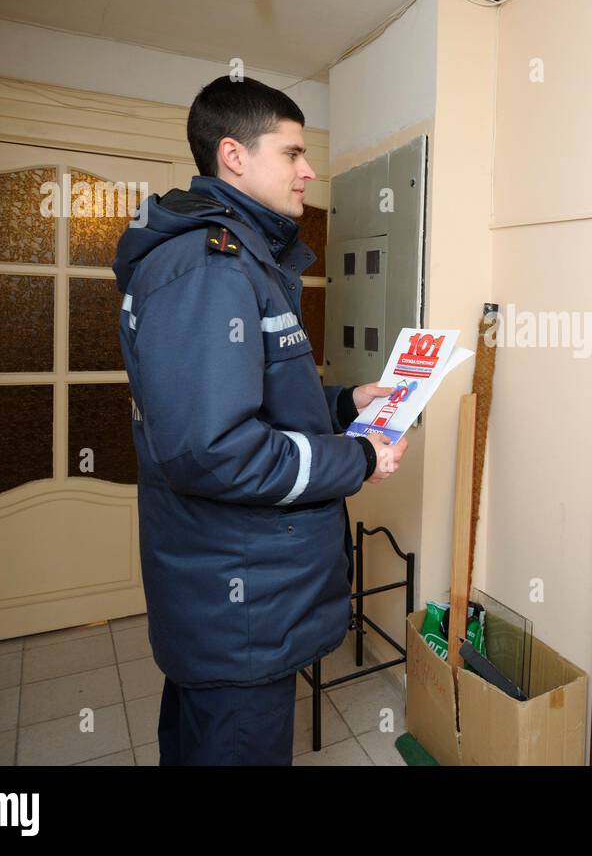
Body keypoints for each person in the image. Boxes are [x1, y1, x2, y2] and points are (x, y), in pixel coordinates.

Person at [111, 75, 408, 764]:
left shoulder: (246, 258)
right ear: (233, 156)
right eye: (293, 152)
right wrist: (356, 459)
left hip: (229, 602)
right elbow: (215, 449)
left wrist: (343, 404)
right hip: (238, 612)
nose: (309, 172)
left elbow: (253, 394)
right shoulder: (211, 266)